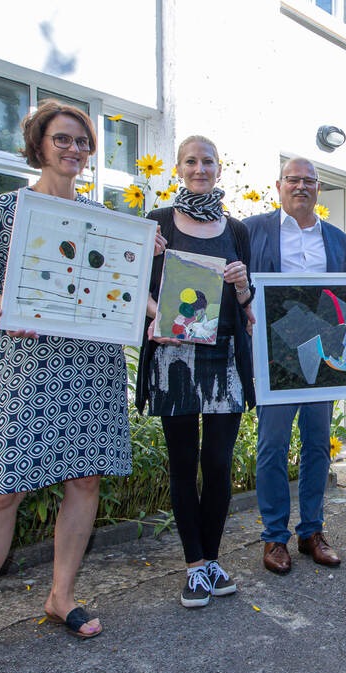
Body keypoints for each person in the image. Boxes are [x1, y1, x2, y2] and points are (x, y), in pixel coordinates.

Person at [0, 101, 162, 673]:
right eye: (63, 140)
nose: (74, 150)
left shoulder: (103, 218)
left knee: (85, 479)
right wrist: (3, 306)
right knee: (2, 492)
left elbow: (120, 287)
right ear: (39, 144)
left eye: (82, 143)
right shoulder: (9, 209)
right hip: (32, 365)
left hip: (91, 364)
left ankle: (60, 596)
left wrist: (158, 313)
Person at [135, 135, 256, 607]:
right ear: (178, 169)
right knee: (183, 462)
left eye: (208, 161)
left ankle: (212, 560)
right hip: (173, 358)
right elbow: (132, 287)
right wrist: (156, 316)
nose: (199, 168)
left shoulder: (238, 230)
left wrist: (244, 289)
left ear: (219, 170)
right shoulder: (157, 223)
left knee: (219, 464)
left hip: (223, 356)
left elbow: (248, 307)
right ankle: (193, 566)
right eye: (191, 161)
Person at [243, 158, 346, 574]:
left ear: (318, 189)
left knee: (319, 445)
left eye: (309, 181)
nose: (300, 186)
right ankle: (274, 537)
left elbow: (342, 295)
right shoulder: (253, 230)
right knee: (272, 447)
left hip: (322, 356)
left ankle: (311, 531)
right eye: (293, 180)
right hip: (274, 355)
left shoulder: (336, 238)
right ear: (278, 185)